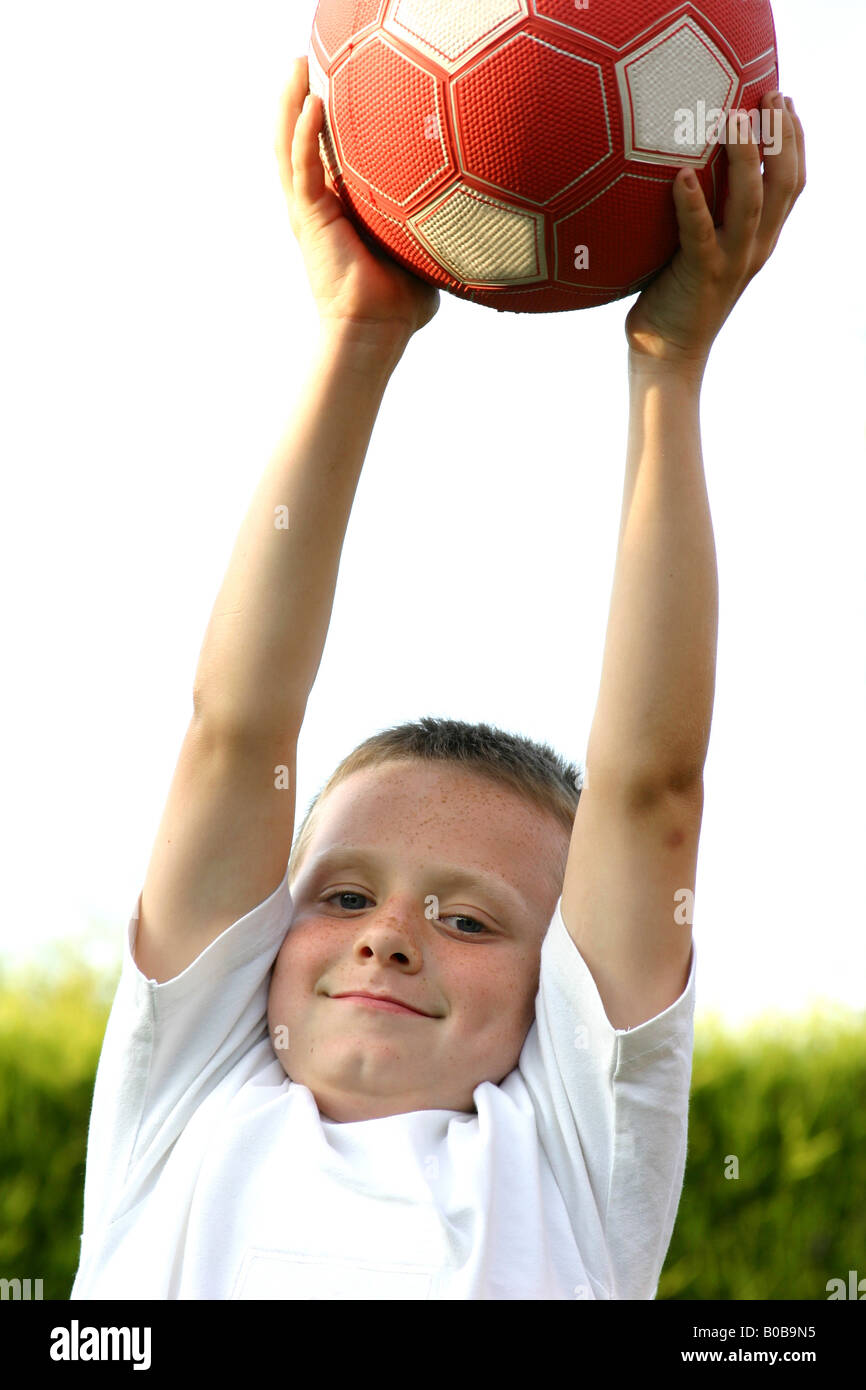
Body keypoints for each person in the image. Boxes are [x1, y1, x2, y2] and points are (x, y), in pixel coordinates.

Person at [70, 60, 806, 1299]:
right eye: (342, 894)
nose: (389, 940)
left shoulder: (565, 1154)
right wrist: (354, 336)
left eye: (470, 921)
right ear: (262, 944)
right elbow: (232, 727)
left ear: (553, 1003)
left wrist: (665, 368)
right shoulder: (187, 1096)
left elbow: (649, 792)